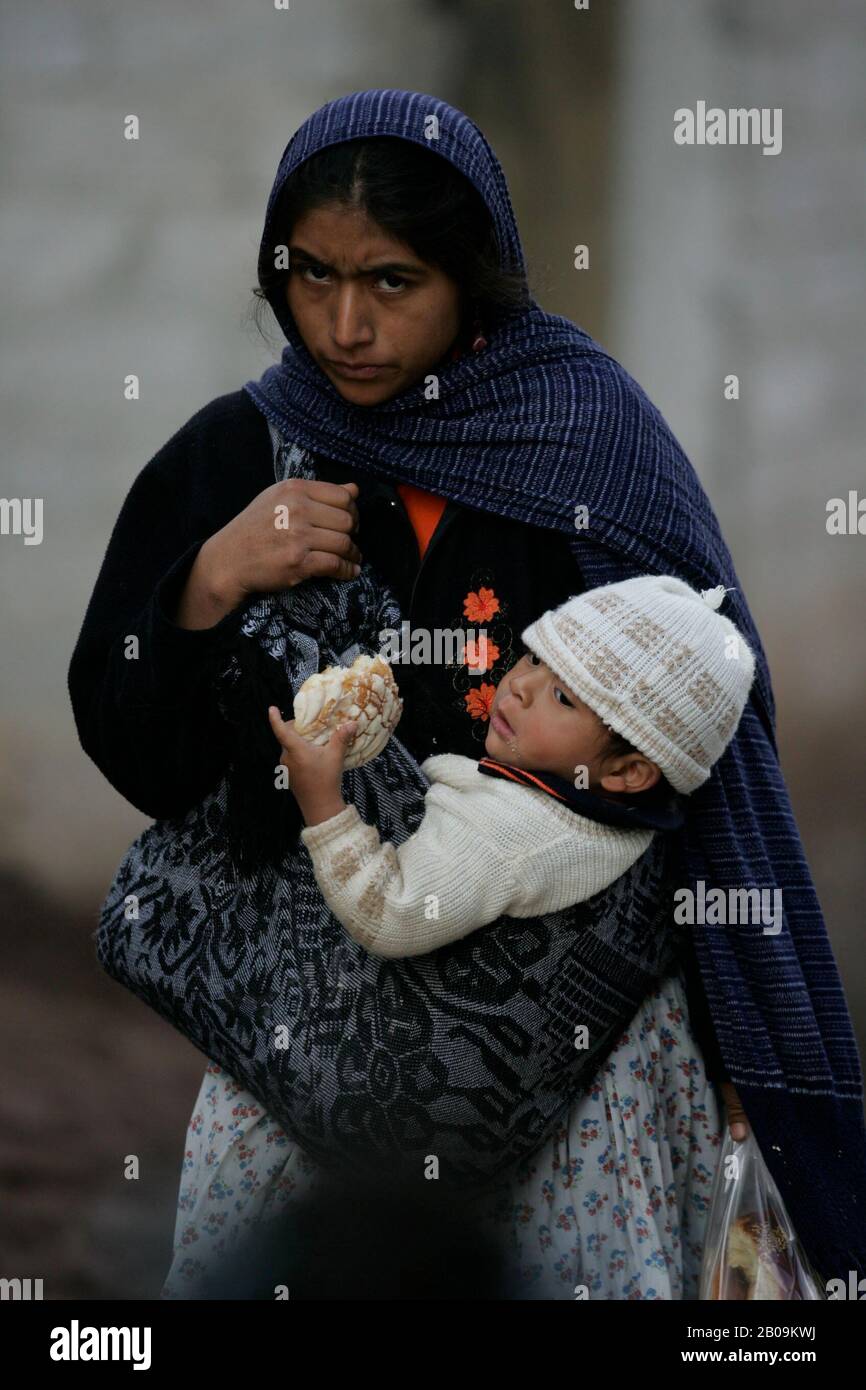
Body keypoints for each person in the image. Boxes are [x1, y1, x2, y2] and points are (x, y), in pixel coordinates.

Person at [69, 90, 866, 1297]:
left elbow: (712, 755)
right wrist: (212, 574)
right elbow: (140, 748)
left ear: (473, 278)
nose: (345, 324)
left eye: (392, 282)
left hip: (574, 1052)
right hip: (314, 1035)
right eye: (314, 277)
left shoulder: (589, 444)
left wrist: (740, 1048)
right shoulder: (238, 457)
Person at [273, 576, 755, 960]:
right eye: (535, 657)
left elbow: (390, 914)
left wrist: (322, 805)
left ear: (628, 773)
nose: (522, 685)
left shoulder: (507, 836)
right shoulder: (604, 807)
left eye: (563, 697)